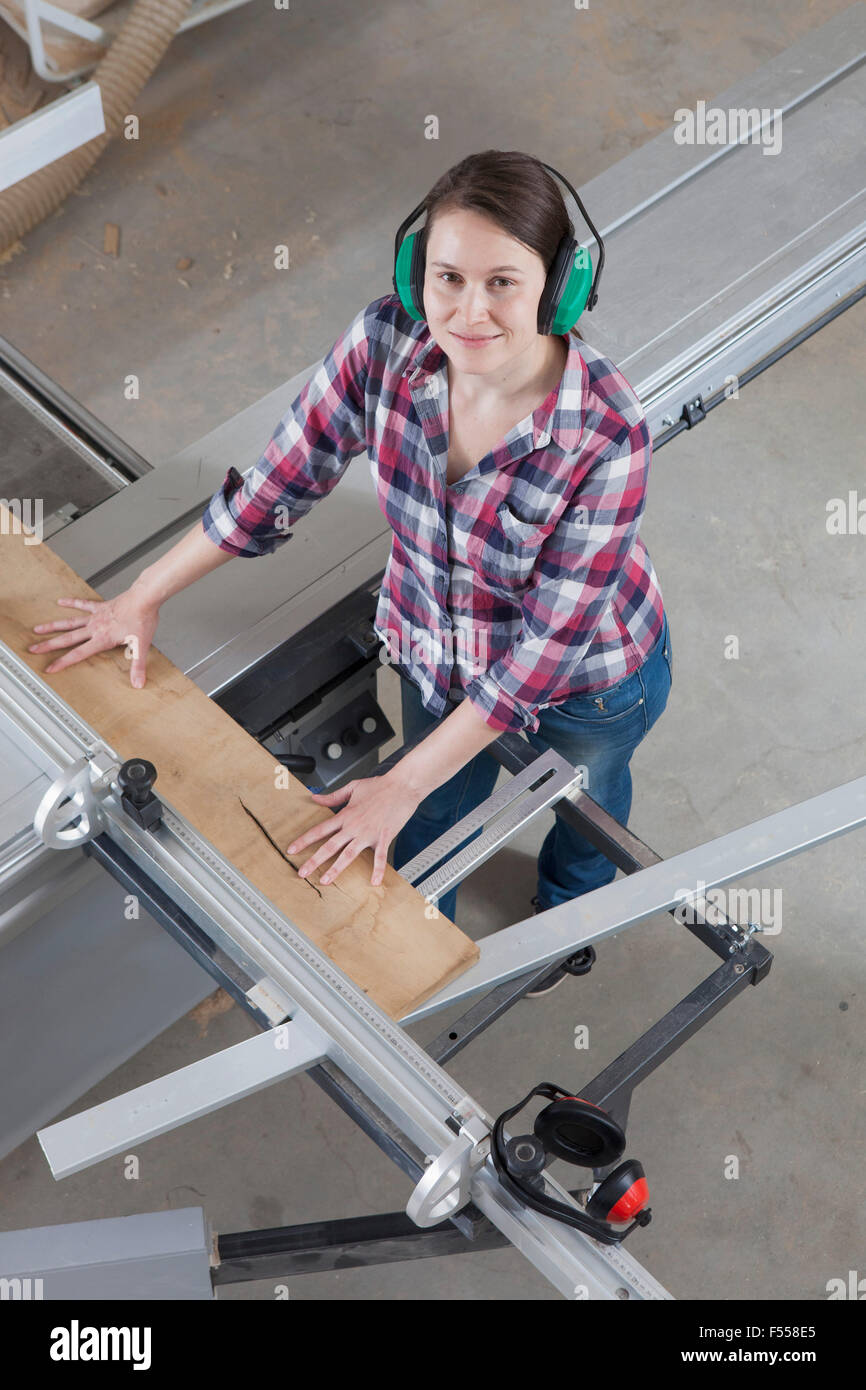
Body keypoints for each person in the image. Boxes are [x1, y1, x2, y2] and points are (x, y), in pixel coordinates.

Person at [28, 149, 672, 993]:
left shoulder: (606, 433)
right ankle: (419, 943)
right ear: (416, 274)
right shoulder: (384, 345)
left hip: (589, 680)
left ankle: (567, 918)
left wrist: (396, 782)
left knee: (585, 805)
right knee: (434, 808)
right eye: (447, 277)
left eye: (504, 283)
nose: (469, 312)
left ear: (561, 288)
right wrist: (138, 599)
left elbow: (543, 655)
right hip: (436, 651)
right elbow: (275, 490)